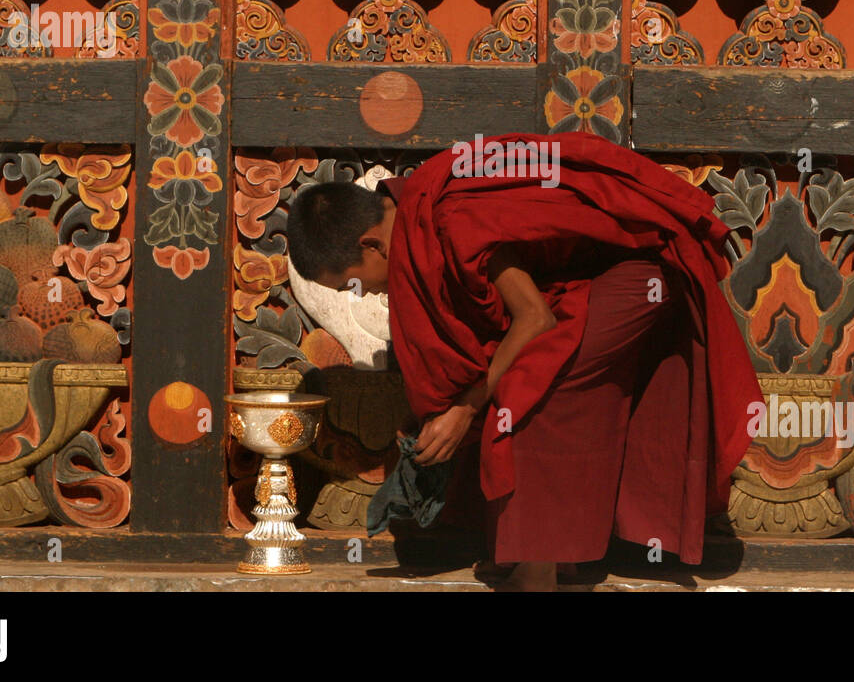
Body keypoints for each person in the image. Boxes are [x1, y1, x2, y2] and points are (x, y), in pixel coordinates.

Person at [285, 131, 759, 591]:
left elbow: (535, 319)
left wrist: (465, 407)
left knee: (535, 389)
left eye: (352, 282)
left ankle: (538, 574)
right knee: (516, 383)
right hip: (581, 279)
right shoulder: (416, 217)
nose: (363, 292)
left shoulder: (447, 217)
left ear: (371, 245)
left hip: (640, 271)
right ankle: (547, 558)